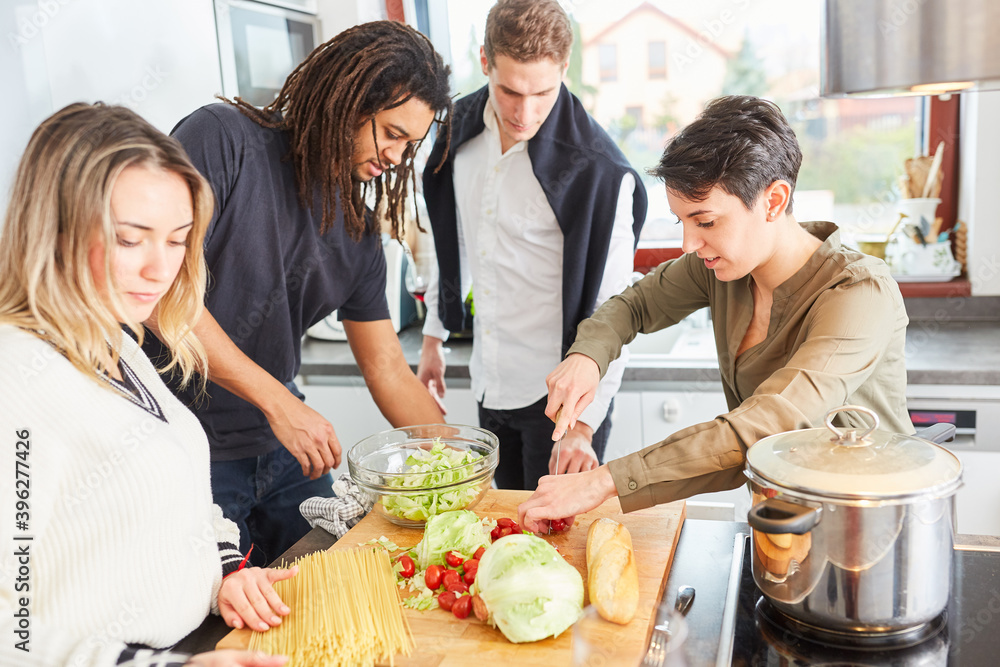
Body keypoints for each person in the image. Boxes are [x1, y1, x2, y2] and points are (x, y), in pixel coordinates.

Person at [518, 95, 914, 531]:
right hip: (782, 523)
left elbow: (767, 426)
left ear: (774, 201)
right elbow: (634, 305)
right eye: (680, 222)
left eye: (705, 222)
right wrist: (587, 357)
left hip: (871, 534)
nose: (689, 244)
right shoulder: (725, 269)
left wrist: (605, 481)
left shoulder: (859, 294)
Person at [142, 21, 453, 564]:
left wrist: (458, 463)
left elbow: (386, 367)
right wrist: (278, 399)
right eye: (392, 133)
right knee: (217, 628)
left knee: (329, 591)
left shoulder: (357, 230)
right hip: (183, 446)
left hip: (284, 454)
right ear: (350, 99)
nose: (398, 157)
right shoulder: (222, 140)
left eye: (411, 143)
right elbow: (161, 291)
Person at [0, 103, 294, 667]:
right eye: (131, 240)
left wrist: (224, 573)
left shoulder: (119, 343)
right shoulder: (16, 378)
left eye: (178, 239)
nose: (162, 269)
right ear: (54, 229)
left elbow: (180, 499)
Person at [417, 0, 647, 490]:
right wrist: (434, 340)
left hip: (563, 400)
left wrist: (582, 425)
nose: (525, 112)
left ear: (565, 69)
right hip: (488, 381)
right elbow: (453, 243)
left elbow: (615, 310)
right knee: (501, 535)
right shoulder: (454, 137)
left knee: (550, 549)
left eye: (543, 92)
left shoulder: (600, 173)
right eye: (509, 91)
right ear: (485, 62)